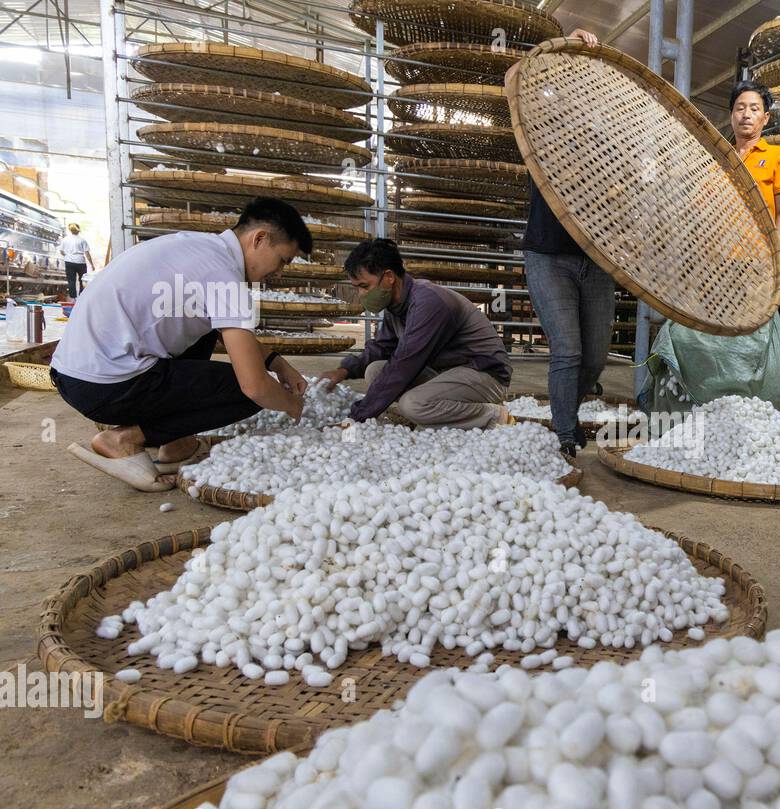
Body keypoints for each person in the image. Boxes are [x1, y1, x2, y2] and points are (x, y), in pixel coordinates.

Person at [50, 198, 312, 492]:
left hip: (74, 374)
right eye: (282, 261)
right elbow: (254, 386)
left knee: (207, 333)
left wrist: (277, 362)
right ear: (260, 239)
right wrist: (290, 403)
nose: (278, 274)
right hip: (105, 386)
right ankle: (125, 439)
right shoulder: (224, 277)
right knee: (247, 393)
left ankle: (174, 444)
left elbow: (231, 334)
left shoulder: (200, 249)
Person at [641, 80, 780, 419]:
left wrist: (773, 259)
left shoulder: (776, 156)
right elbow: (705, 215)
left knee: (751, 339)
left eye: (754, 109)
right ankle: (700, 407)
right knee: (704, 336)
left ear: (766, 118)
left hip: (753, 265)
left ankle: (750, 409)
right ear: (731, 116)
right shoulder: (718, 160)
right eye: (740, 109)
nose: (746, 115)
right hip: (716, 267)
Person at [506, 28, 614, 458]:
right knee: (567, 351)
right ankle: (566, 433)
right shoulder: (541, 129)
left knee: (594, 359)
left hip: (597, 260)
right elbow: (513, 77)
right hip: (549, 256)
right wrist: (562, 45)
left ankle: (565, 408)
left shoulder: (608, 144)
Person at [320, 238, 513, 428]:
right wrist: (344, 370)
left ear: (388, 277)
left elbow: (404, 364)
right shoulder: (395, 305)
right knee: (375, 371)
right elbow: (381, 348)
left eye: (364, 286)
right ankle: (440, 412)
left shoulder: (428, 303)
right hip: (446, 373)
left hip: (485, 373)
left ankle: (493, 415)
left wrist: (357, 417)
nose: (361, 295)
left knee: (414, 405)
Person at [60, 223, 95, 300]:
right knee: (82, 280)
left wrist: (68, 255)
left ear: (70, 230)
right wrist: (92, 265)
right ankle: (82, 296)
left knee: (71, 280)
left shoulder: (65, 239)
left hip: (69, 262)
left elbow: (61, 252)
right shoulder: (82, 240)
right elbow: (87, 253)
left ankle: (73, 298)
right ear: (78, 230)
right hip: (80, 262)